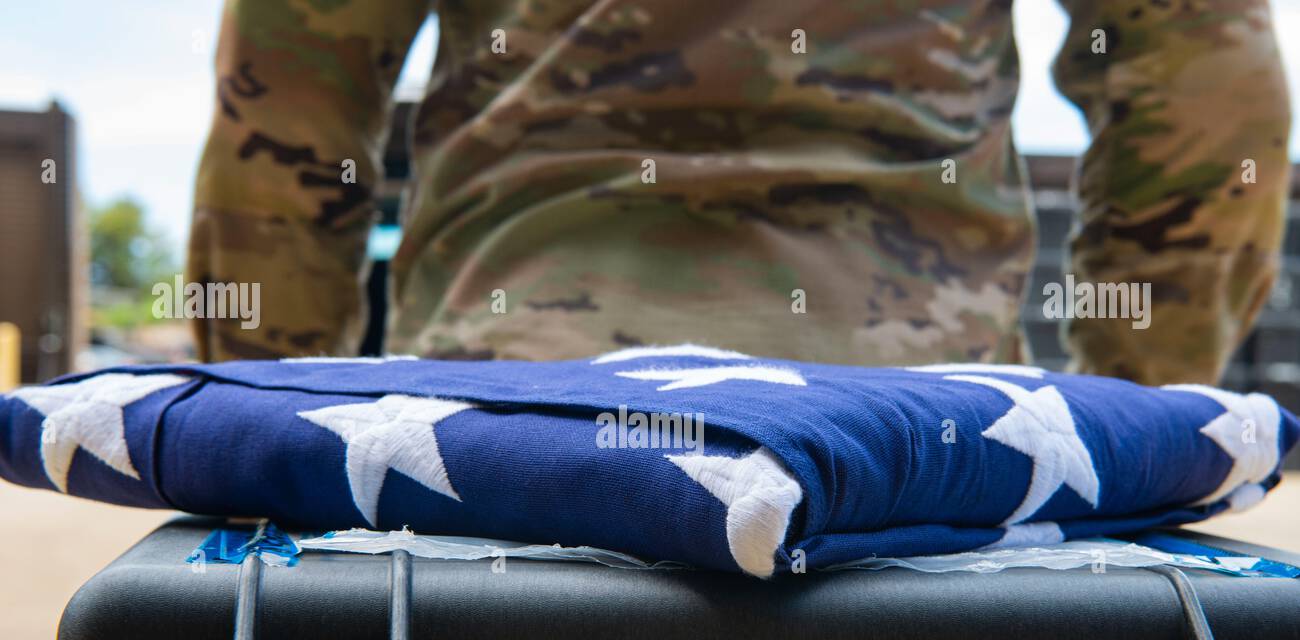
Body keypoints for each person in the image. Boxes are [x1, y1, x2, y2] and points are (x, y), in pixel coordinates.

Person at [187, 0, 1291, 385]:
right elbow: (1213, 92)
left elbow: (287, 108)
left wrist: (282, 432)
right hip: (922, 430)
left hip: (513, 410)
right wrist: (1132, 418)